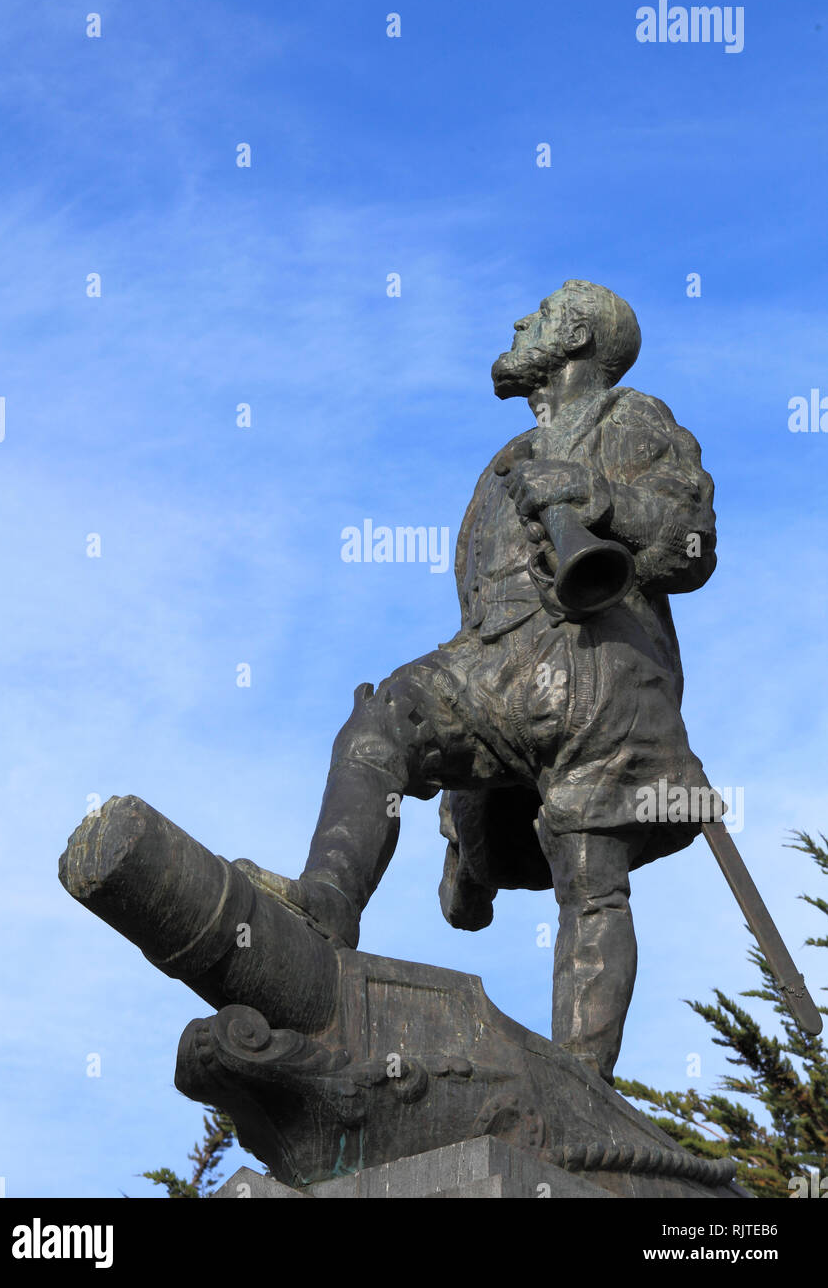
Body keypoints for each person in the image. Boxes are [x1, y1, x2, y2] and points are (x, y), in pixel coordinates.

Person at [238, 280, 722, 1085]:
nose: (517, 323)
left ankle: (580, 1083)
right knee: (384, 720)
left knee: (590, 876)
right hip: (500, 665)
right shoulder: (504, 463)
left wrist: (597, 497)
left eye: (536, 315)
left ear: (572, 338)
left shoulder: (634, 419)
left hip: (600, 682)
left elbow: (693, 546)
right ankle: (329, 903)